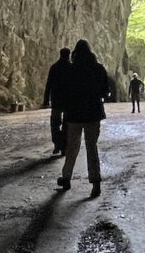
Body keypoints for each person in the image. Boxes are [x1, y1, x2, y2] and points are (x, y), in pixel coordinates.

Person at [59, 39, 111, 196]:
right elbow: (105, 91)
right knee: (91, 147)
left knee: (72, 147)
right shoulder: (98, 69)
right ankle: (95, 183)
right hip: (93, 113)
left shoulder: (70, 70)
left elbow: (65, 92)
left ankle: (66, 177)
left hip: (74, 114)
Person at [43, 47, 71, 155]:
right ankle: (64, 146)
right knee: (66, 124)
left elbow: (48, 84)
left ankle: (57, 144)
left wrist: (46, 99)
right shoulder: (71, 67)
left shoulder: (54, 67)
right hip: (68, 101)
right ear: (68, 55)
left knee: (55, 123)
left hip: (56, 100)